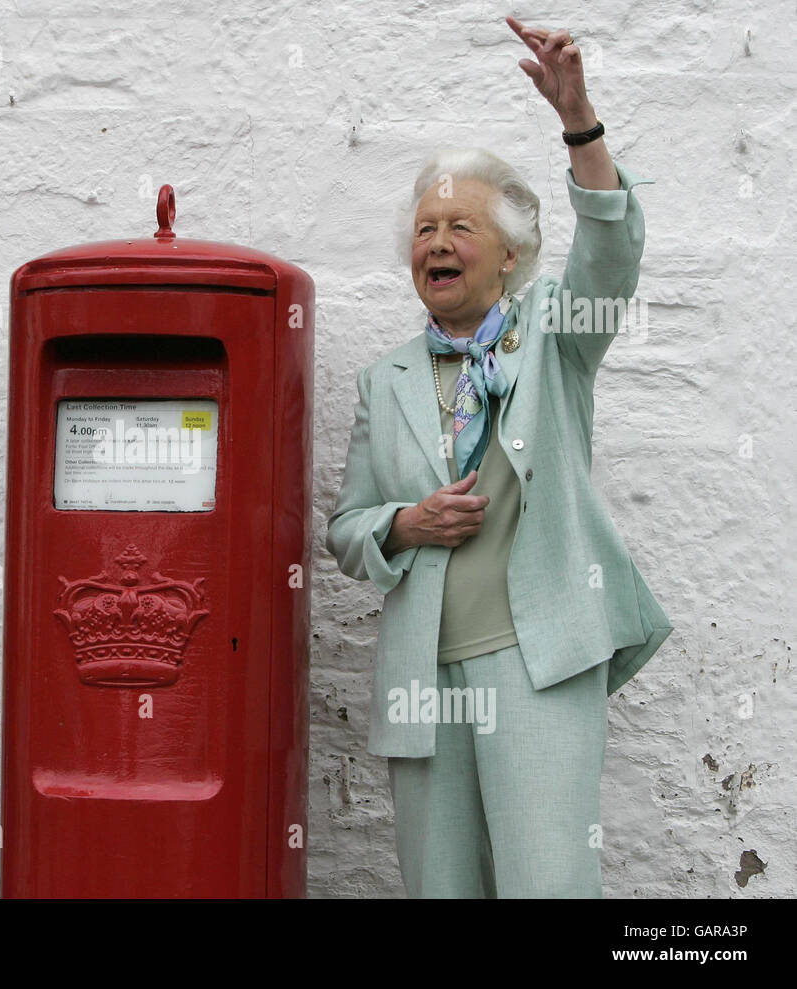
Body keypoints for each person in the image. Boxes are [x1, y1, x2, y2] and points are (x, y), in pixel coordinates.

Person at [326, 16, 672, 898]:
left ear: (510, 255)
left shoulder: (554, 329)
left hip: (539, 660)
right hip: (425, 677)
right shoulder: (386, 378)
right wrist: (406, 522)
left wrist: (578, 121)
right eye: (424, 227)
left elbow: (612, 253)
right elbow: (348, 529)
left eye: (461, 227)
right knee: (441, 889)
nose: (436, 240)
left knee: (545, 882)